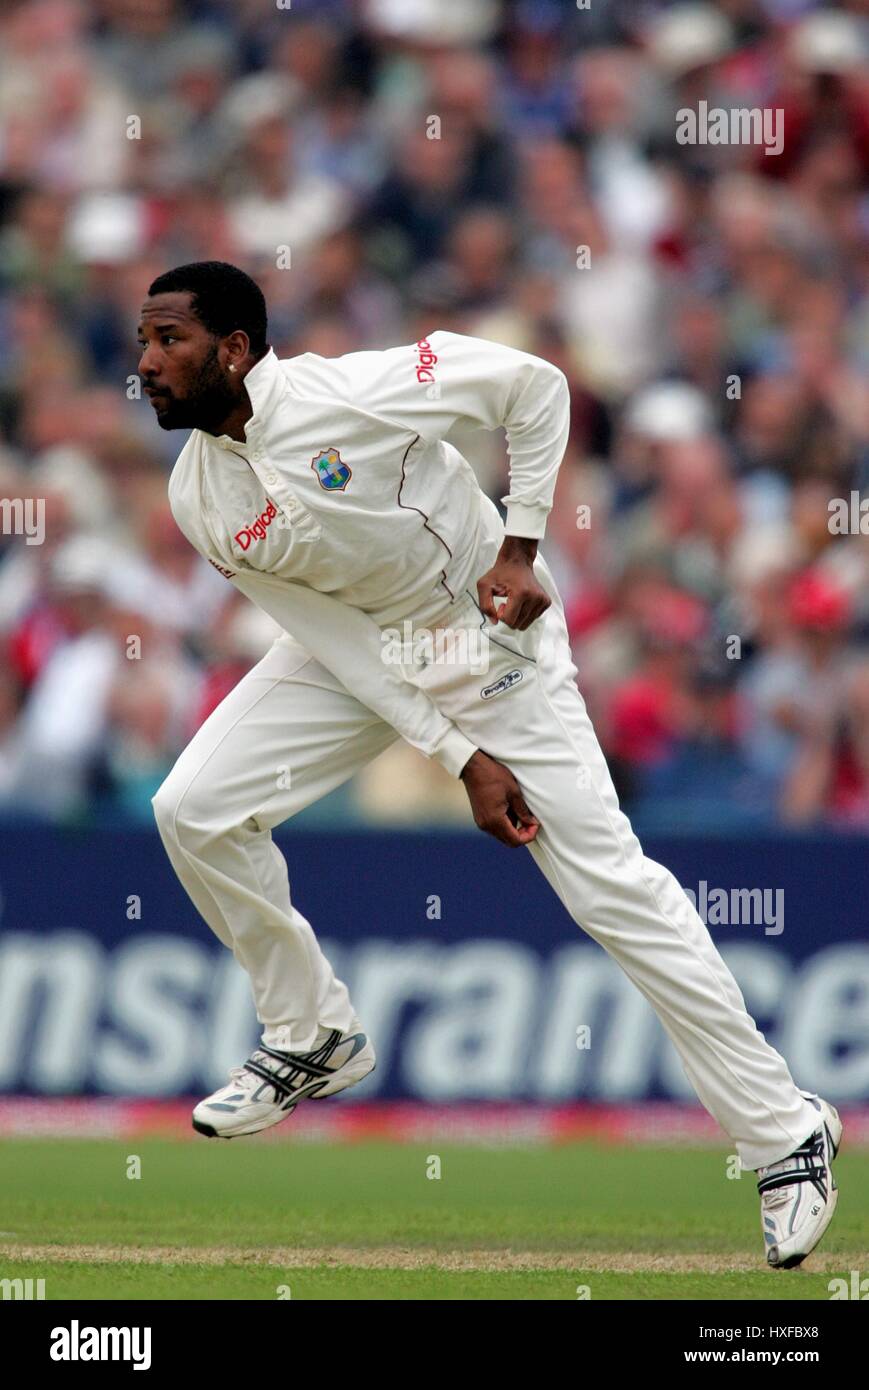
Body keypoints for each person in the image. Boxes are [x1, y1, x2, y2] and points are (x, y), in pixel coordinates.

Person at [141, 261, 840, 1269]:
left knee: (607, 888)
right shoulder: (196, 491)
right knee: (192, 807)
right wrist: (453, 754)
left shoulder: (354, 391)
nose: (147, 366)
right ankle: (312, 1033)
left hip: (487, 637)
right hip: (363, 653)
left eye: (169, 341)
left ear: (237, 350)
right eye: (141, 343)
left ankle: (782, 1134)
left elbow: (534, 389)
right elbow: (327, 635)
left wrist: (520, 542)